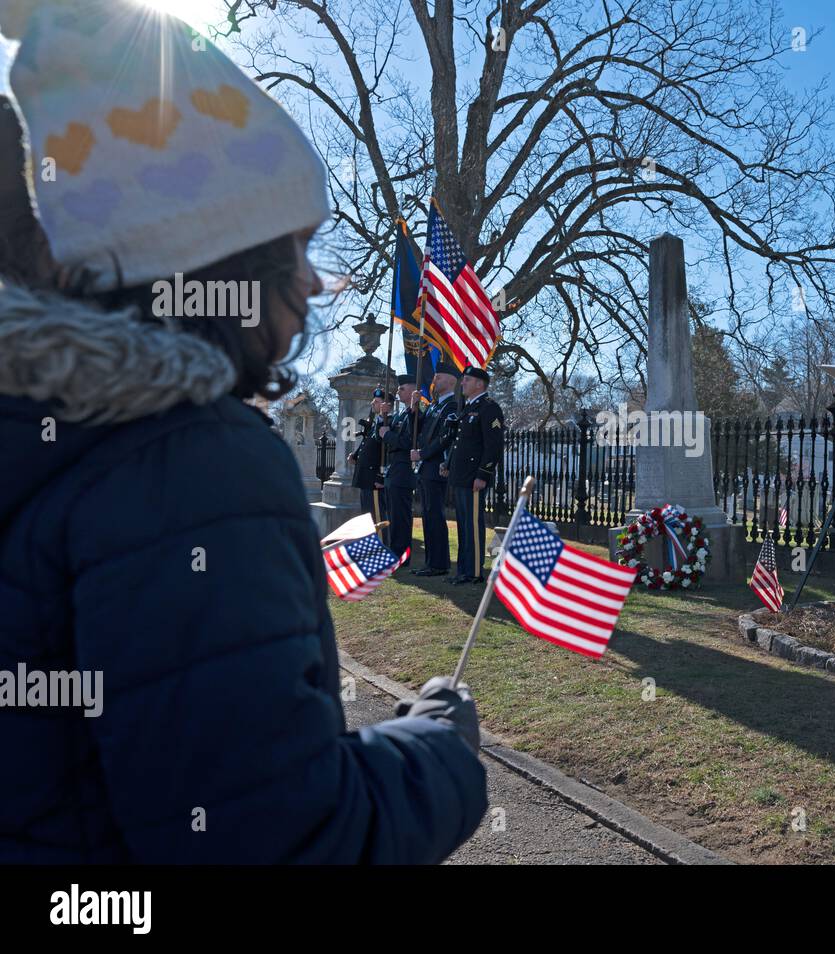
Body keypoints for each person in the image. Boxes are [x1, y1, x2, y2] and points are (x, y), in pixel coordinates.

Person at [0, 0, 486, 862]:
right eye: (291, 245)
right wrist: (441, 751)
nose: (312, 281)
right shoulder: (192, 461)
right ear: (224, 261)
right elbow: (281, 840)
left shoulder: (44, 422)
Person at [446, 367, 504, 584]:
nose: (463, 383)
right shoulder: (469, 408)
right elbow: (461, 442)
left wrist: (484, 474)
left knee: (472, 524)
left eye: (467, 380)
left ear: (480, 384)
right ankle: (463, 569)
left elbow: (493, 446)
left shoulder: (489, 408)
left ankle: (474, 572)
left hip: (474, 479)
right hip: (462, 477)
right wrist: (449, 463)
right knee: (463, 524)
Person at [413, 362, 461, 577]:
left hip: (435, 467)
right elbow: (421, 429)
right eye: (435, 377)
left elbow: (444, 438)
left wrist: (422, 454)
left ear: (451, 380)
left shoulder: (451, 406)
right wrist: (415, 408)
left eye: (439, 377)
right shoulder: (434, 406)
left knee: (435, 516)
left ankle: (439, 564)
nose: (434, 380)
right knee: (427, 516)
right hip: (426, 469)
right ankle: (431, 562)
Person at [380, 375, 421, 568]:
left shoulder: (414, 415)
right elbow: (383, 437)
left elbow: (407, 443)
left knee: (401, 517)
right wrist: (383, 418)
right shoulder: (399, 415)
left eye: (402, 388)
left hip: (403, 471)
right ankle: (394, 551)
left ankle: (401, 555)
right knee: (393, 515)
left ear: (413, 390)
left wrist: (388, 434)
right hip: (393, 470)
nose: (398, 391)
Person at [349, 389, 391, 533]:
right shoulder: (376, 423)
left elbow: (386, 452)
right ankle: (372, 548)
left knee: (377, 519)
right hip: (366, 478)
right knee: (367, 518)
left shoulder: (388, 423)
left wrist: (381, 476)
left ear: (387, 405)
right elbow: (368, 443)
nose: (373, 402)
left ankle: (381, 549)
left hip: (374, 480)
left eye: (377, 401)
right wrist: (355, 456)